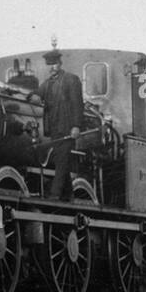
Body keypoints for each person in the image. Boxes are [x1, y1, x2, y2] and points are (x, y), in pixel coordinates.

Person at [39, 48, 87, 200]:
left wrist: (76, 125)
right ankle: (69, 196)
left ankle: (55, 194)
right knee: (62, 160)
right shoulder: (47, 84)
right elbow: (36, 94)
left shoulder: (71, 80)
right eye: (49, 64)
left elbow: (77, 104)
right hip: (54, 129)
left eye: (54, 64)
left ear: (60, 63)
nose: (52, 67)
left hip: (67, 128)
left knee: (61, 159)